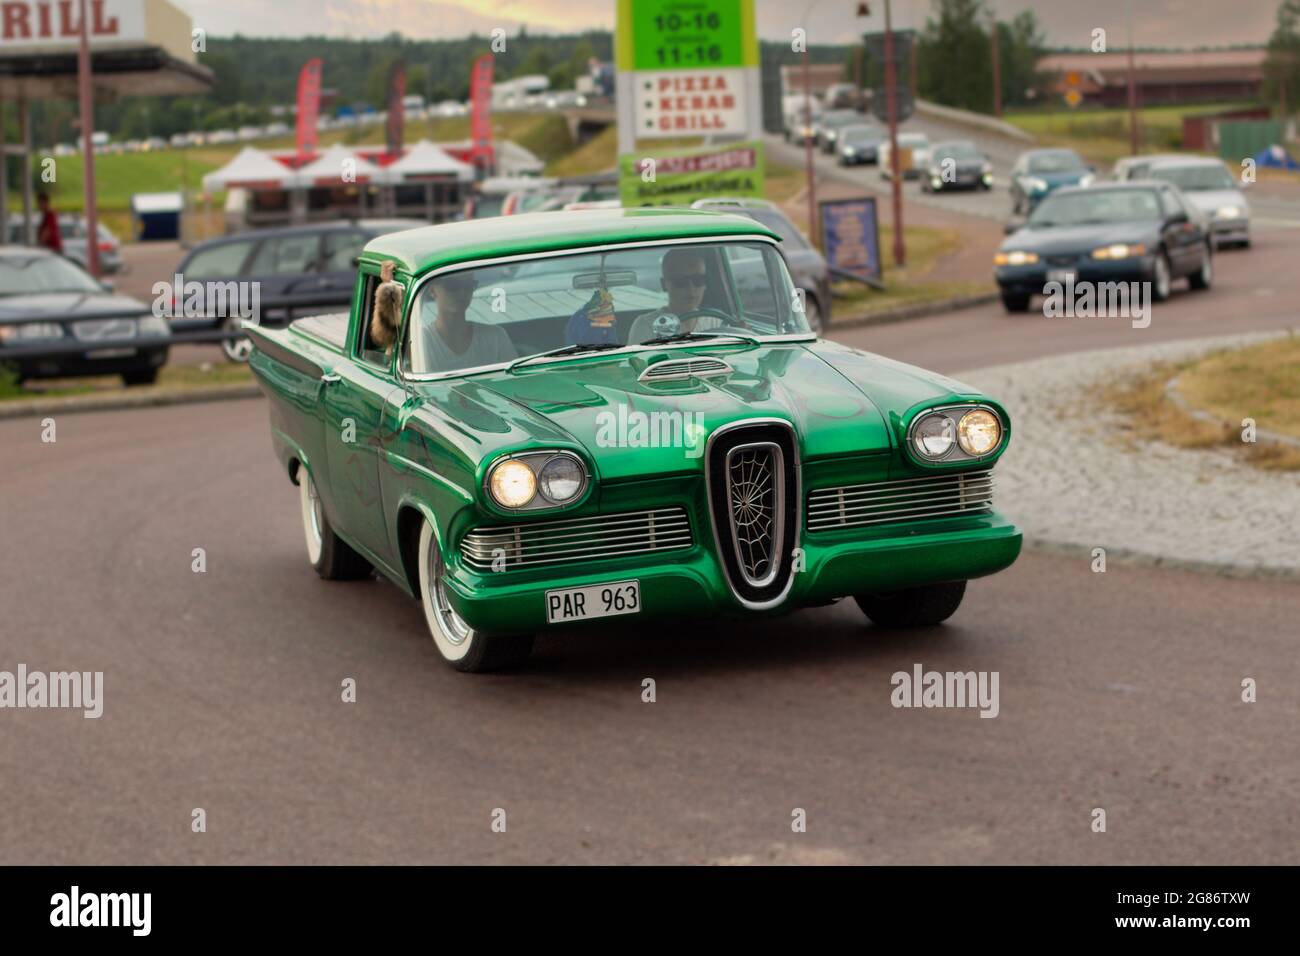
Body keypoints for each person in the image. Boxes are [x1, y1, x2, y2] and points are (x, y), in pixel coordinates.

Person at [415, 272, 516, 373]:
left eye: (468, 286)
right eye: (452, 285)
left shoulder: (496, 337)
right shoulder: (420, 342)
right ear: (432, 290)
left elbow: (515, 380)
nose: (462, 292)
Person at [626, 247, 726, 345]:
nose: (690, 288)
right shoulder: (646, 325)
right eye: (680, 281)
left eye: (698, 280)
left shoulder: (716, 321)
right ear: (664, 285)